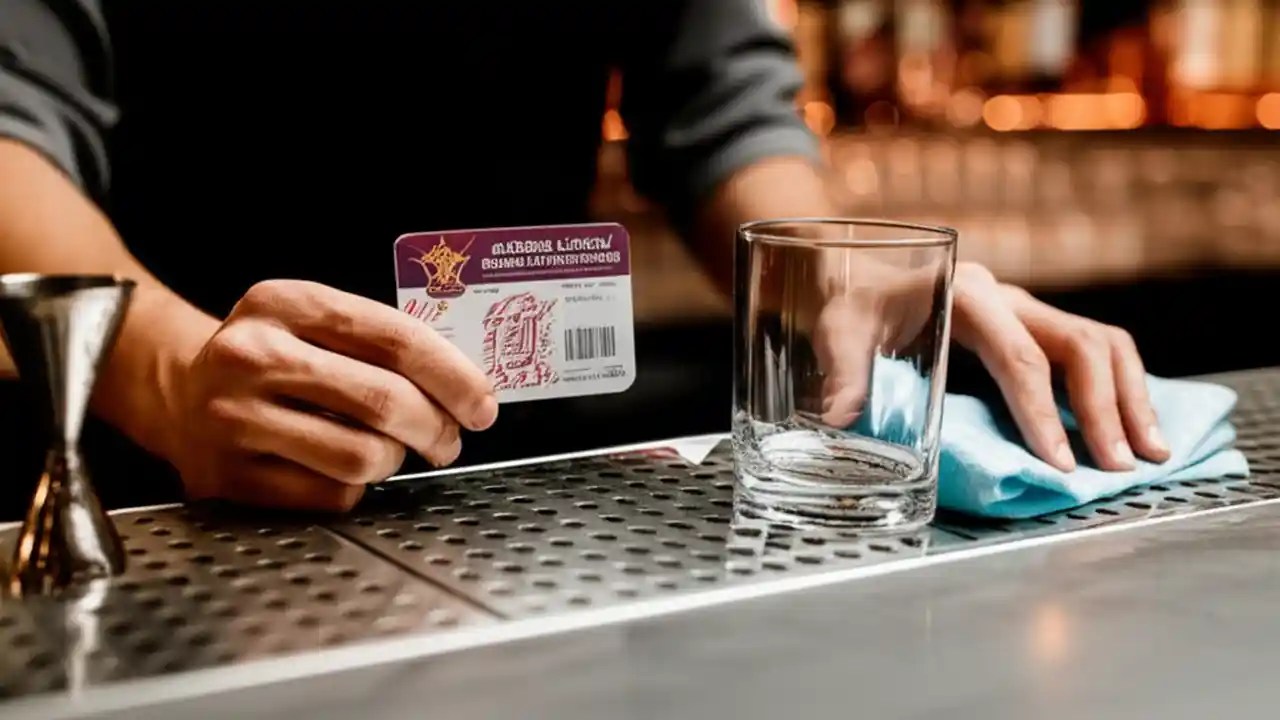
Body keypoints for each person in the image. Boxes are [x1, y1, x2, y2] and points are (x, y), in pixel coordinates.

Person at [0, 0, 1169, 513]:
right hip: (159, 480)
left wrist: (840, 274)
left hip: (515, 465)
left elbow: (718, 100)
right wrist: (172, 377)